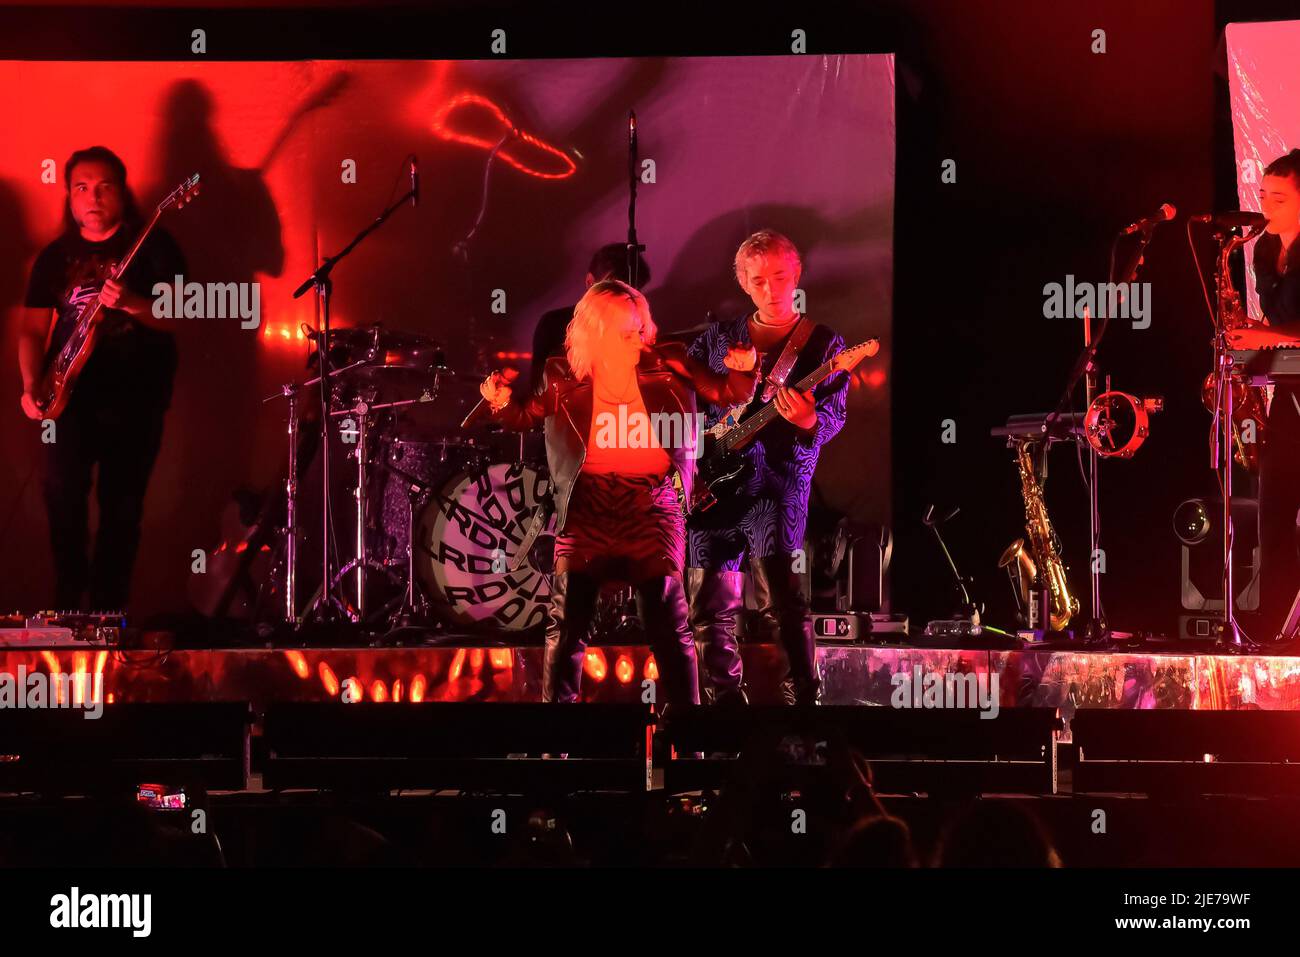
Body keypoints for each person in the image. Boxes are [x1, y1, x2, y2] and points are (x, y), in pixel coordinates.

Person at [480, 280, 756, 707]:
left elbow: (727, 393)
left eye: (639, 328)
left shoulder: (670, 362)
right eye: (624, 332)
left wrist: (743, 369)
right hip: (587, 507)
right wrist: (498, 401)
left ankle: (690, 739)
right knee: (567, 620)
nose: (637, 338)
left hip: (652, 505)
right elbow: (523, 417)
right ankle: (559, 746)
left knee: (666, 620)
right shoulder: (561, 374)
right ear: (596, 333)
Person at [18, 146, 185, 611]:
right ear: (70, 196)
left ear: (122, 191)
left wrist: (134, 302)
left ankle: (109, 618)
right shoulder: (55, 257)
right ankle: (70, 611)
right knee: (62, 500)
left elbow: (184, 313)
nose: (93, 197)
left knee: (122, 510)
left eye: (105, 186)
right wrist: (31, 386)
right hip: (67, 401)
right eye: (82, 187)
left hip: (137, 402)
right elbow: (32, 329)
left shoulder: (154, 246)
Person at [687, 230, 849, 705]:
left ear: (796, 273)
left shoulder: (823, 343)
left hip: (777, 488)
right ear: (743, 284)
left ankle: (803, 705)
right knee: (708, 606)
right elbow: (688, 406)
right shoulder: (717, 340)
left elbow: (834, 415)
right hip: (714, 487)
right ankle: (722, 711)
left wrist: (808, 421)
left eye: (780, 276)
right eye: (758, 281)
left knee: (783, 603)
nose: (771, 289)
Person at [1253, 149, 1300, 638]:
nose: (1266, 206)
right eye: (1264, 194)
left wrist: (1263, 335)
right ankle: (1275, 632)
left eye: (1280, 198)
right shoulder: (1265, 249)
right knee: (1273, 510)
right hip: (1288, 393)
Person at [528, 243, 651, 396]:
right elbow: (539, 396)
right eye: (615, 290)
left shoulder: (639, 327)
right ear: (590, 282)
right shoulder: (553, 325)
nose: (625, 300)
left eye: (634, 292)